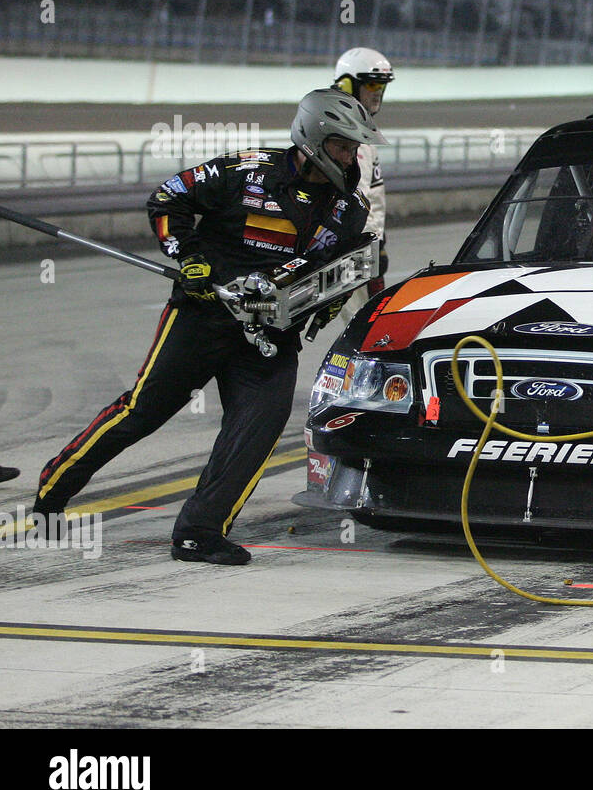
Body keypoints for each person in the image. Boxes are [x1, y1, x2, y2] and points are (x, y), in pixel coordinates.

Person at [31, 89, 384, 566]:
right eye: (342, 145)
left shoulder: (350, 208)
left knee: (257, 429)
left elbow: (334, 269)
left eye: (354, 147)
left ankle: (199, 532)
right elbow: (166, 199)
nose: (350, 156)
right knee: (142, 412)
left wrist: (325, 300)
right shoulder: (245, 170)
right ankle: (53, 490)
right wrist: (189, 258)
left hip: (270, 337)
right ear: (313, 138)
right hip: (202, 317)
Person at [332, 47, 393, 312]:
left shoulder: (367, 136)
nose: (378, 91)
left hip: (361, 249)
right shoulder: (328, 131)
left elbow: (374, 196)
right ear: (347, 85)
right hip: (337, 249)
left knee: (366, 319)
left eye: (382, 85)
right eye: (372, 84)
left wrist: (378, 243)